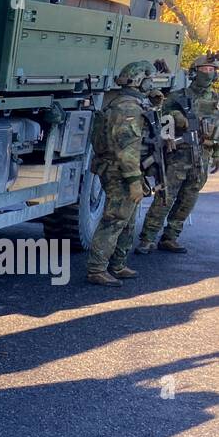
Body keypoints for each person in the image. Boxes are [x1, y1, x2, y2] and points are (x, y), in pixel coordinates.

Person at [136, 55, 218, 255]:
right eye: (204, 69)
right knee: (165, 198)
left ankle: (171, 237)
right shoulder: (178, 96)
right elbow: (158, 119)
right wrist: (174, 118)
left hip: (202, 157)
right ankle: (147, 238)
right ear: (194, 71)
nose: (207, 73)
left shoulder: (216, 100)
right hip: (177, 157)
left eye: (211, 70)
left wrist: (216, 155)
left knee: (188, 199)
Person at [86, 60, 155, 286]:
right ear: (139, 81)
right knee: (115, 218)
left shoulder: (128, 103)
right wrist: (135, 181)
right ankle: (97, 268)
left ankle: (117, 264)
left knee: (129, 217)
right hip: (120, 171)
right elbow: (128, 151)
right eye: (148, 80)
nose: (151, 83)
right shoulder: (129, 109)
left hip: (120, 169)